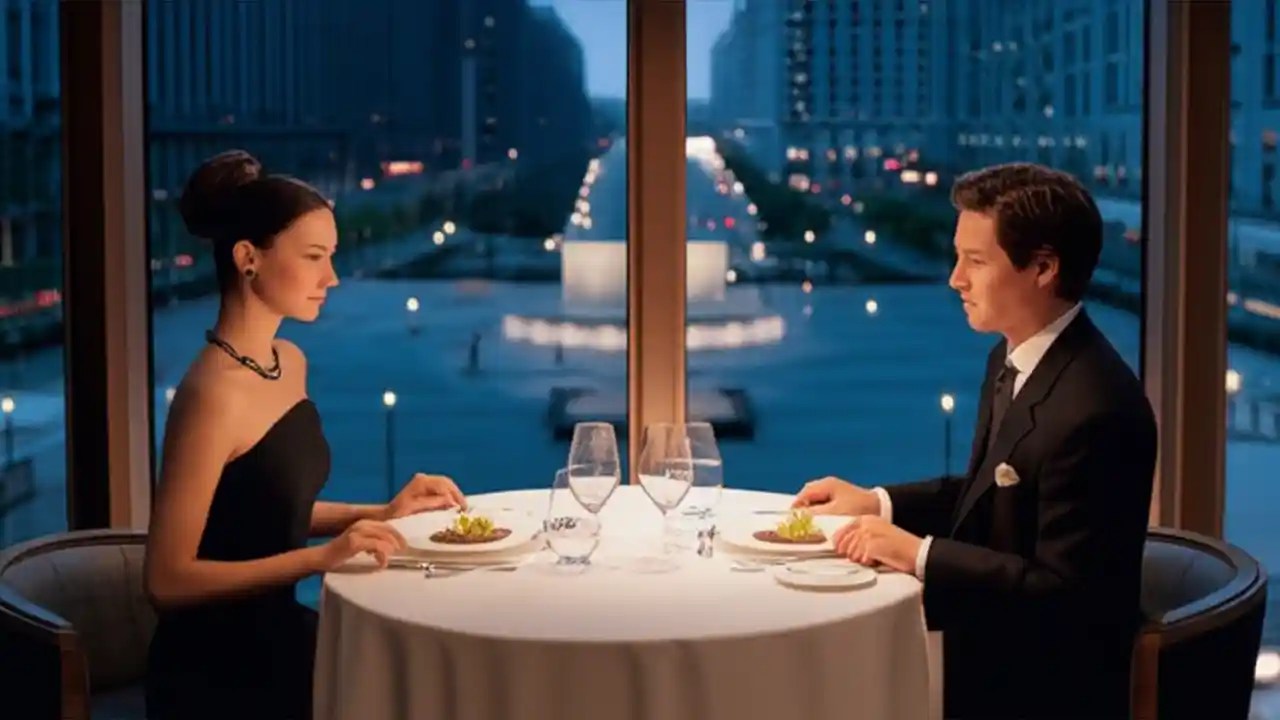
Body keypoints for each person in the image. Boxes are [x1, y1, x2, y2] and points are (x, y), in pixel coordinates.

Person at [794, 163, 1157, 719]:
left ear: (1043, 268)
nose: (954, 278)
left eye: (975, 261)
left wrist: (917, 553)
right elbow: (994, 490)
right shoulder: (1015, 359)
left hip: (1042, 695)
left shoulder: (1097, 406)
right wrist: (878, 502)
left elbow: (1066, 598)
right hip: (990, 662)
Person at [143, 149, 467, 719]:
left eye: (332, 257)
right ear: (249, 258)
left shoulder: (287, 361)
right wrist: (322, 560)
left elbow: (260, 508)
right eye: (315, 257)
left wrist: (381, 513)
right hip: (217, 675)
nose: (332, 278)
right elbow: (167, 580)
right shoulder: (210, 394)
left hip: (280, 636)